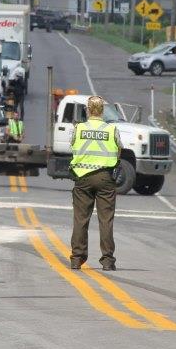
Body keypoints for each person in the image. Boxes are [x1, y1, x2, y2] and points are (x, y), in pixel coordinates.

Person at [69, 96, 121, 271]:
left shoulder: (79, 128)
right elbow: (118, 151)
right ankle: (107, 260)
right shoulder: (111, 129)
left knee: (80, 219)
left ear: (88, 110)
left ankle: (77, 259)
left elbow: (73, 147)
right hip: (105, 178)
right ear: (103, 111)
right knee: (105, 220)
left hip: (83, 177)